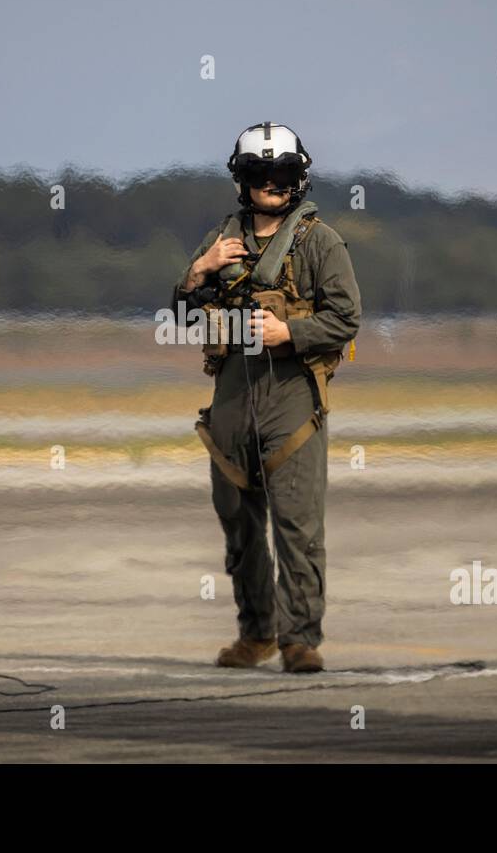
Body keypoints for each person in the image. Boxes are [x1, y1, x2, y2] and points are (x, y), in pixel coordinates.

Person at [172, 122, 361, 673]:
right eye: (262, 174)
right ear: (245, 180)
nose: (273, 184)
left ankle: (299, 639)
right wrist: (197, 274)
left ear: (297, 178)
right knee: (238, 522)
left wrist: (290, 334)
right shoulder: (220, 243)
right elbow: (182, 316)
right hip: (232, 397)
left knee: (298, 526)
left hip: (292, 400)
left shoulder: (320, 243)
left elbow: (346, 317)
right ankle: (256, 634)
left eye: (282, 174)